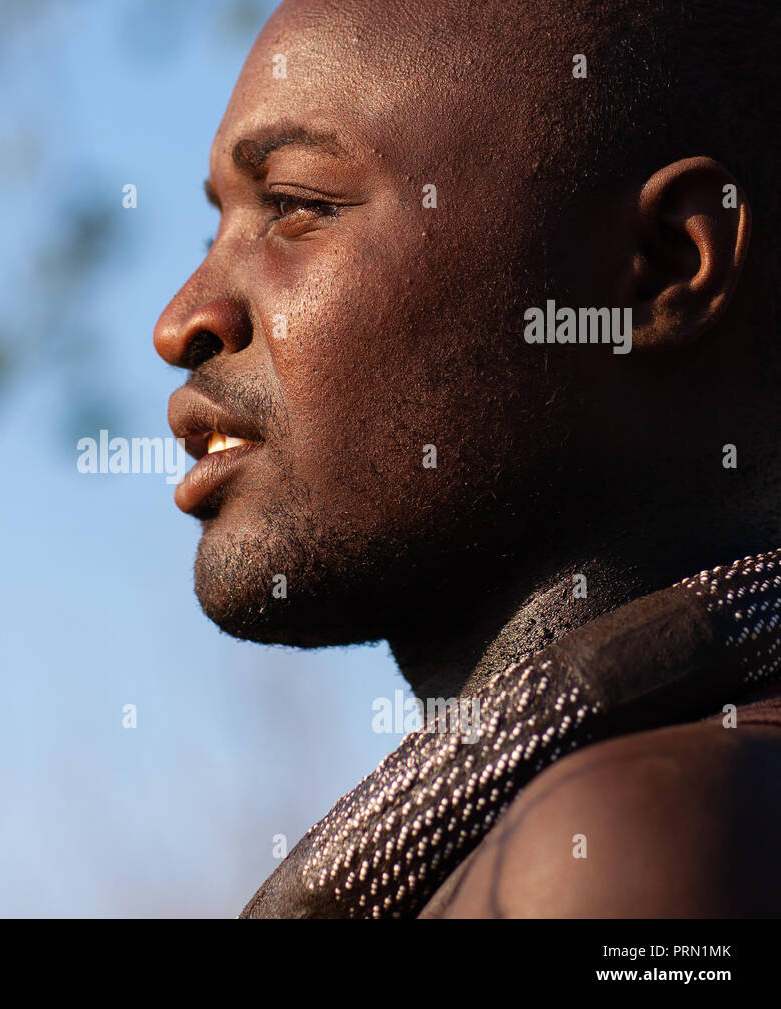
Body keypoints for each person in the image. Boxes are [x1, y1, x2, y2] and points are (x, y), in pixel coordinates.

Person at [153, 0, 781, 917]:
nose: (181, 322)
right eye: (215, 229)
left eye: (295, 207)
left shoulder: (627, 849)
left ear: (659, 268)